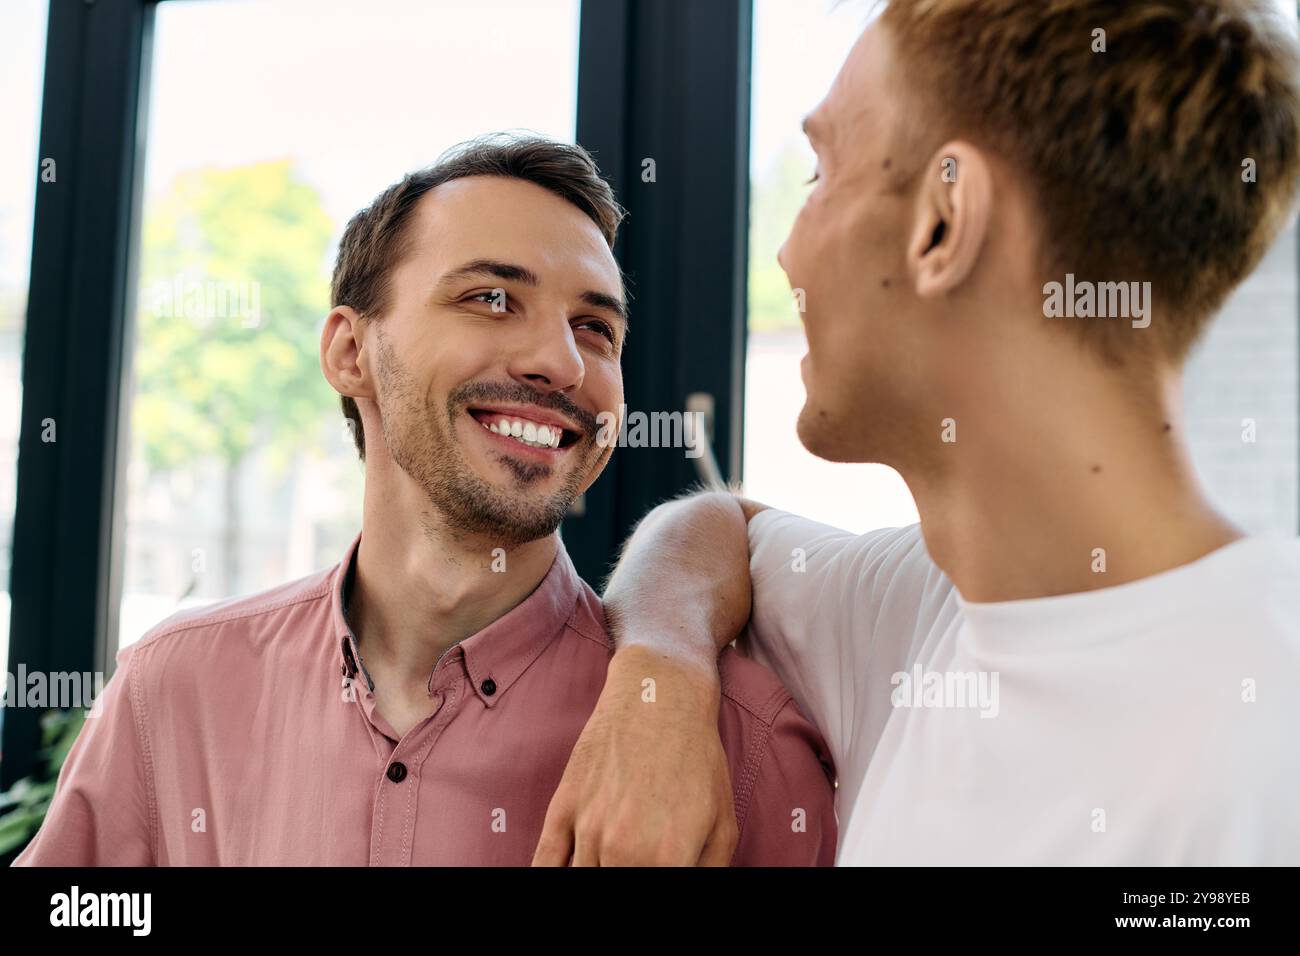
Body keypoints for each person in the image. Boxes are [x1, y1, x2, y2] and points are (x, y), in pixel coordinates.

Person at [534, 0, 1300, 866]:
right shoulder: (923, 607)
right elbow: (713, 529)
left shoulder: (1270, 742)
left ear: (945, 220)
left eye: (822, 174)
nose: (786, 254)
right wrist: (659, 675)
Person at [14, 135, 835, 866]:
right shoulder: (173, 691)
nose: (562, 362)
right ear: (349, 351)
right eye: (492, 298)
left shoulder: (739, 746)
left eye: (596, 329)